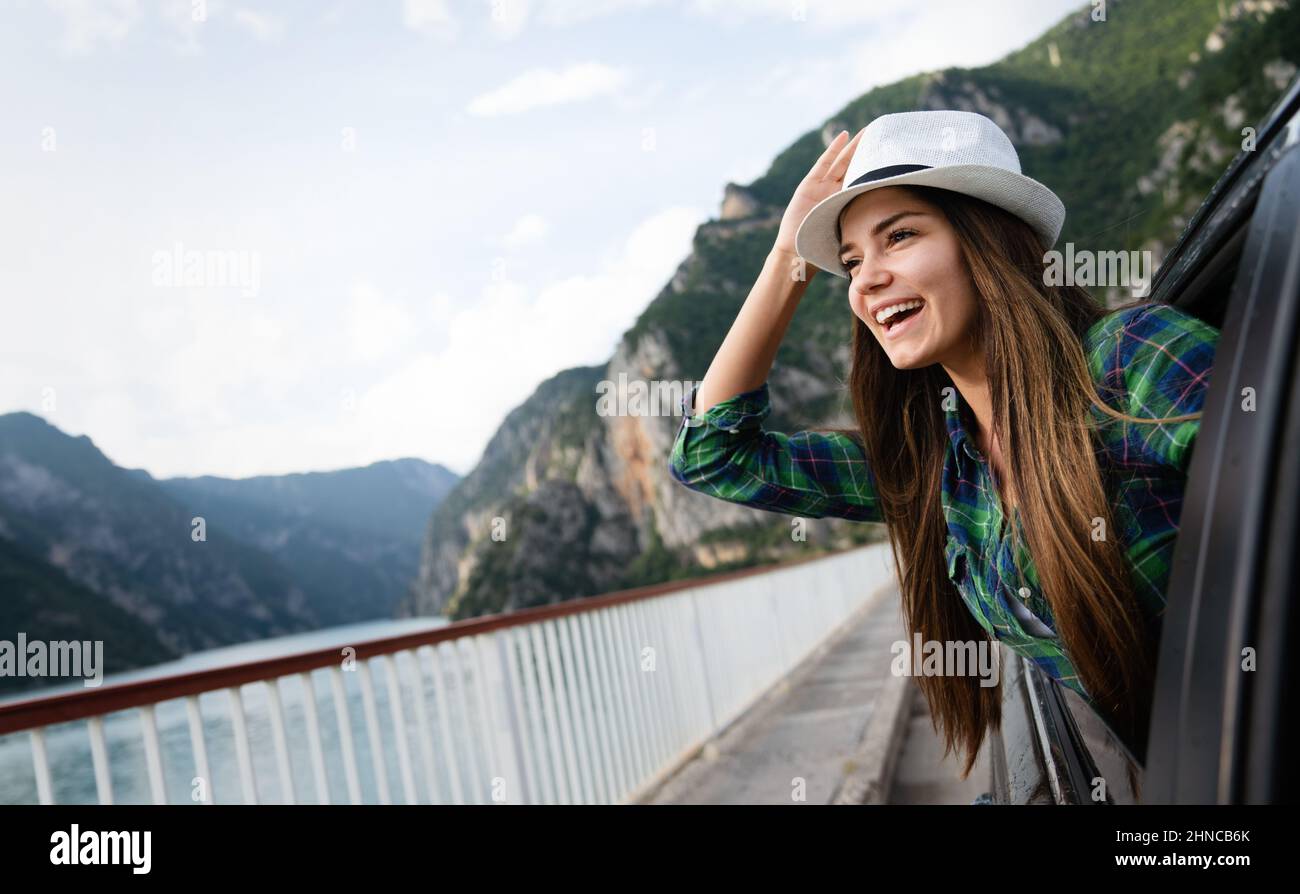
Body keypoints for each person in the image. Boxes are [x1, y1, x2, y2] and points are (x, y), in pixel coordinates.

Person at [667, 110, 1219, 785]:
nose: (865, 280)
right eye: (849, 262)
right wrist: (787, 260)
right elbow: (714, 457)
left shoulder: (1127, 365)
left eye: (899, 236)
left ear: (988, 241)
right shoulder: (937, 469)